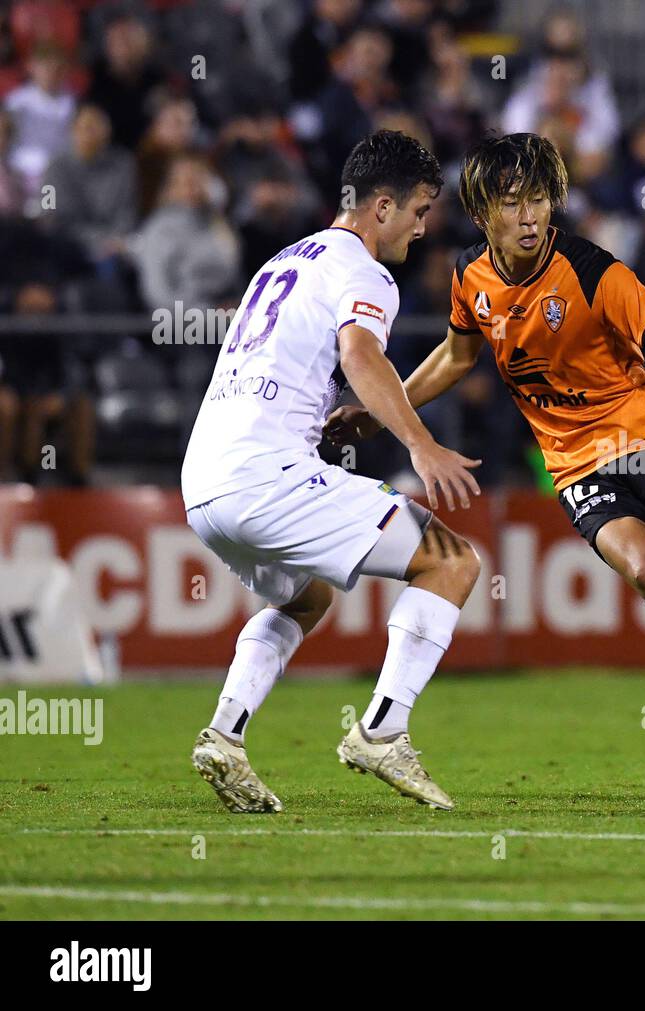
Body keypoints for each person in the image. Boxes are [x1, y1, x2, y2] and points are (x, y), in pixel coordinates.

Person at [327, 133, 645, 806]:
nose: (530, 216)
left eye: (538, 199)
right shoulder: (469, 277)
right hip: (575, 465)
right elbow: (456, 356)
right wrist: (376, 409)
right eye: (513, 202)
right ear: (483, 213)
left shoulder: (591, 270)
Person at [181, 130, 482, 814]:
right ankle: (382, 729)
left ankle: (225, 735)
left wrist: (362, 417)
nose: (423, 225)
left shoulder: (283, 259)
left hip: (205, 481)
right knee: (454, 563)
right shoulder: (365, 270)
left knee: (304, 598)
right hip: (266, 475)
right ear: (381, 206)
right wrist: (418, 441)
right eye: (419, 209)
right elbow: (361, 355)